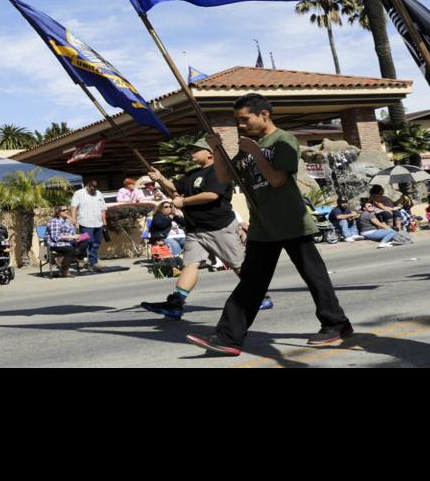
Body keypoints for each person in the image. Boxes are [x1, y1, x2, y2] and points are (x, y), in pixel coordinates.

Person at [186, 94, 354, 355]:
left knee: (314, 275)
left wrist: (255, 152)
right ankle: (228, 337)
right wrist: (217, 149)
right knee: (251, 282)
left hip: (290, 220)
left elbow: (277, 180)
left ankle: (336, 324)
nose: (241, 125)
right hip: (262, 224)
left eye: (245, 119)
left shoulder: (283, 140)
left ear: (264, 114)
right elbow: (225, 176)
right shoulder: (248, 145)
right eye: (238, 120)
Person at [142, 137, 273, 320]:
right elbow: (175, 187)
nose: (192, 153)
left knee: (237, 264)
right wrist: (161, 178)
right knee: (190, 264)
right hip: (196, 229)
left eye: (196, 150)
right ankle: (176, 304)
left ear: (210, 153)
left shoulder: (219, 171)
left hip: (219, 227)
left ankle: (260, 297)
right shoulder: (192, 174)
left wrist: (184, 202)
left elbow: (212, 195)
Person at [70, 180, 108, 272]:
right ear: (88, 186)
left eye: (95, 189)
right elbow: (74, 207)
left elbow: (103, 208)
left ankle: (93, 261)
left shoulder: (99, 193)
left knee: (96, 242)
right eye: (92, 189)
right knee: (86, 241)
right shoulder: (78, 193)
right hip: (85, 222)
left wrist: (104, 220)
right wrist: (73, 218)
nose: (93, 191)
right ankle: (82, 258)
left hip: (98, 222)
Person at [45, 207, 89, 277]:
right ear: (58, 212)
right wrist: (72, 237)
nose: (66, 211)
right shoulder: (55, 221)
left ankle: (63, 259)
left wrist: (76, 236)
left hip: (69, 241)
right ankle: (64, 270)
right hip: (55, 243)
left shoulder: (67, 221)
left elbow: (75, 229)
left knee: (85, 239)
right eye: (64, 210)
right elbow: (56, 237)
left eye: (67, 210)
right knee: (70, 248)